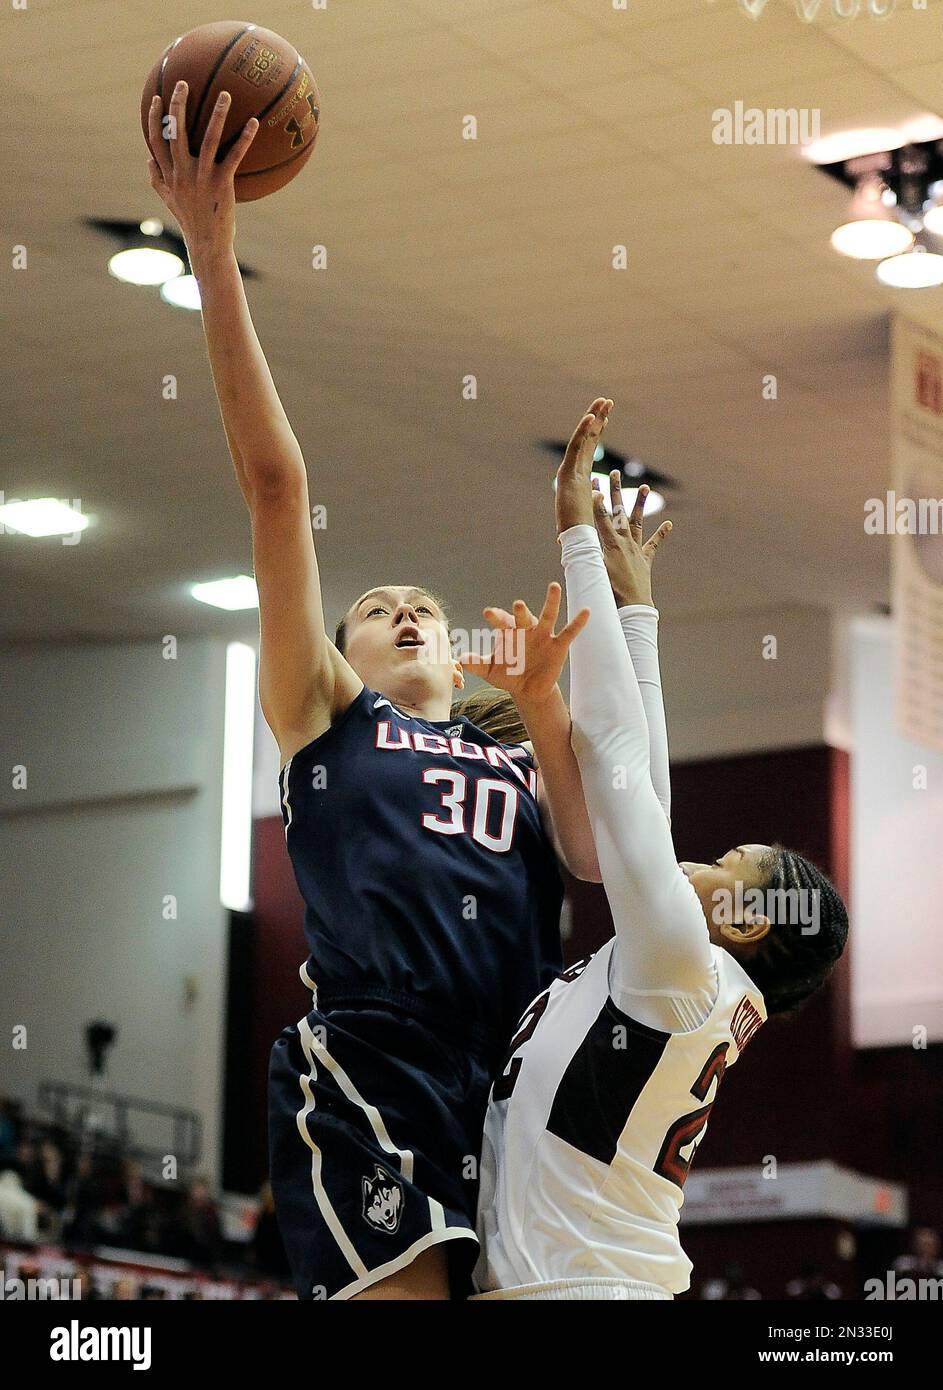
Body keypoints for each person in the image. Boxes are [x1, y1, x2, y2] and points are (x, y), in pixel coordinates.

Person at [144, 84, 600, 1300]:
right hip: (375, 1066)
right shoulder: (330, 719)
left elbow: (604, 861)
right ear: (337, 649)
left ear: (458, 659)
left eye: (426, 609)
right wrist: (212, 249)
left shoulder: (517, 749)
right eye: (375, 608)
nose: (405, 610)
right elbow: (277, 486)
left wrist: (560, 698)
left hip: (514, 1073)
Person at [462, 399, 849, 1300]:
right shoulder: (680, 972)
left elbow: (623, 766)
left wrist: (574, 536)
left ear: (747, 921)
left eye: (728, 866)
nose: (699, 860)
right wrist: (637, 616)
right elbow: (637, 791)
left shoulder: (680, 966)